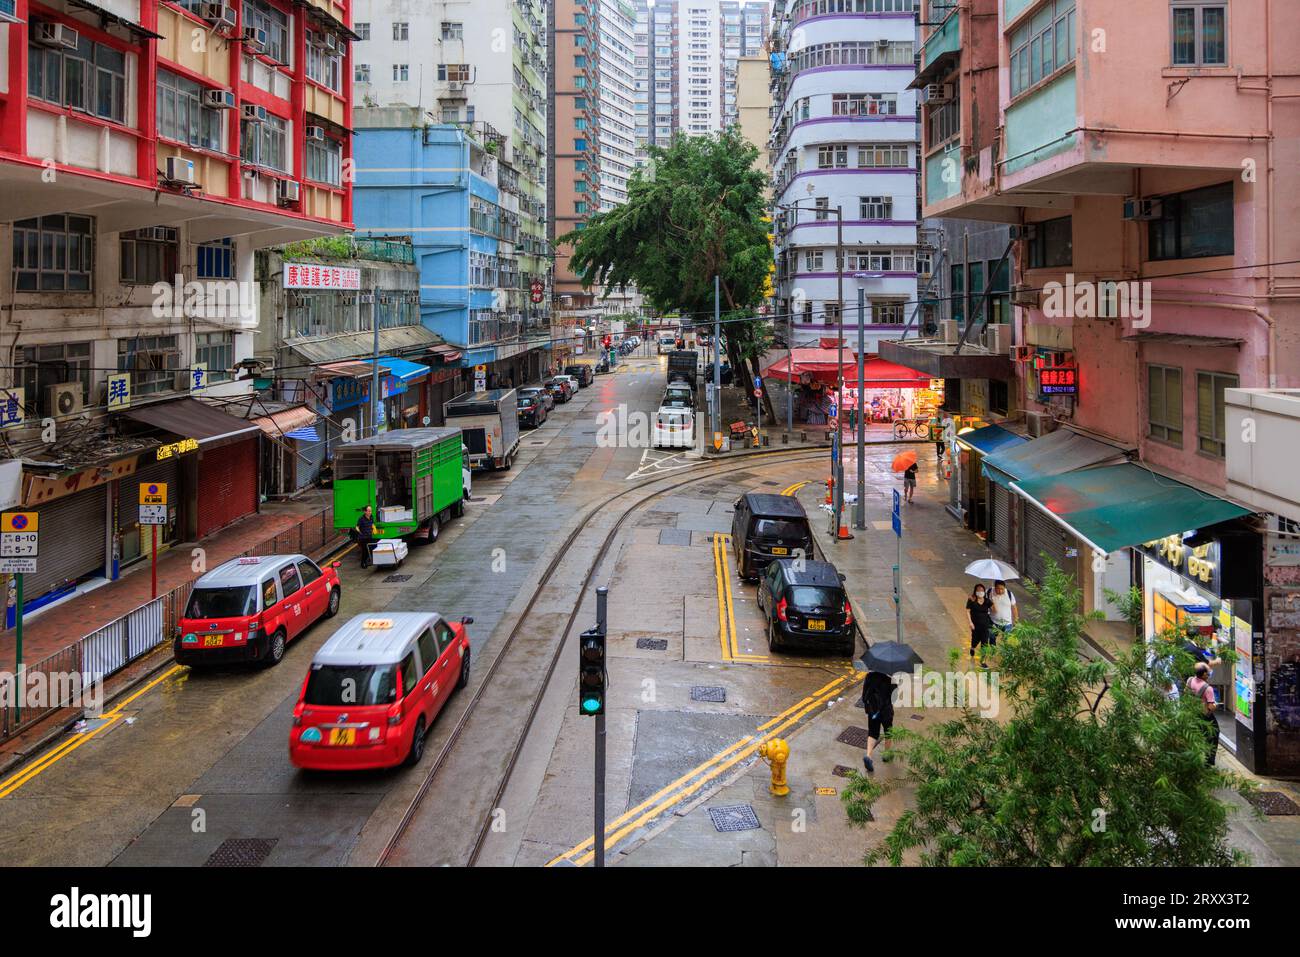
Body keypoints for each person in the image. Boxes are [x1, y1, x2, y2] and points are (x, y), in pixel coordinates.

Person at [861, 669, 895, 774]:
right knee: (888, 731)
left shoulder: (869, 677)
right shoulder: (890, 680)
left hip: (873, 710)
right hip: (886, 711)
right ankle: (886, 754)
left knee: (872, 733)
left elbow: (863, 697)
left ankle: (868, 756)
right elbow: (895, 698)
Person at [1186, 662, 1220, 767]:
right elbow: (1210, 706)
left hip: (1192, 712)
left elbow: (1186, 692)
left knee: (1195, 735)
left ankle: (1191, 757)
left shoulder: (1190, 680)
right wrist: (1216, 705)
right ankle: (1208, 762)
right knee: (1214, 733)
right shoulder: (1208, 688)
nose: (1209, 673)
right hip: (1204, 715)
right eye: (1208, 672)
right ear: (1204, 674)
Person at [966, 583, 994, 664]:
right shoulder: (972, 599)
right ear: (975, 591)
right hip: (975, 625)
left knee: (985, 643)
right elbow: (967, 611)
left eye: (982, 590)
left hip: (985, 626)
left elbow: (995, 610)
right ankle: (972, 648)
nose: (980, 592)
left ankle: (983, 661)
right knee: (975, 640)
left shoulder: (987, 601)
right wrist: (970, 622)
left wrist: (993, 600)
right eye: (978, 590)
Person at [354, 505, 376, 569]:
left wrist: (373, 528)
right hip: (363, 538)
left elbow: (372, 523)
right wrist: (360, 532)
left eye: (371, 511)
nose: (370, 512)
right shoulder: (361, 519)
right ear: (365, 511)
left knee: (371, 549)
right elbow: (357, 527)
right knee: (365, 551)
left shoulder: (371, 517)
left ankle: (368, 561)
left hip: (369, 536)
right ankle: (363, 563)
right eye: (369, 511)